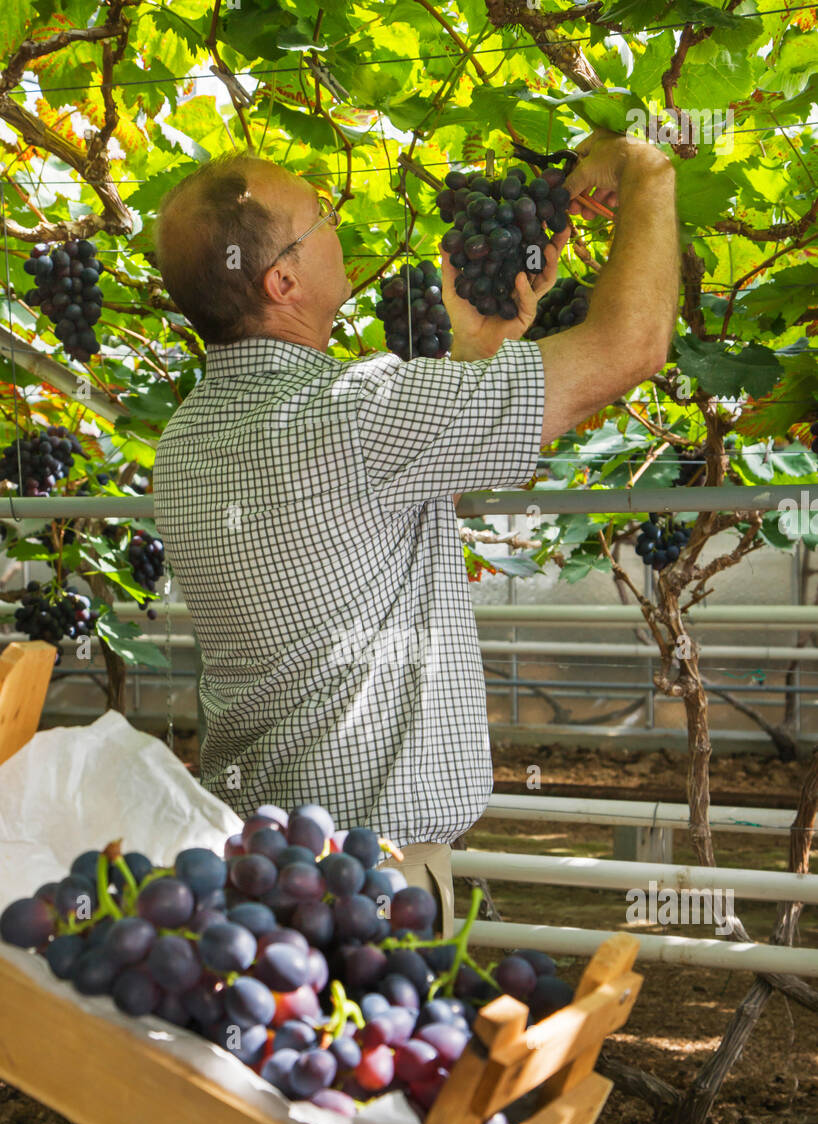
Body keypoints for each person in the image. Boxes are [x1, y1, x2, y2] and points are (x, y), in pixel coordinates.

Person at [151, 133, 679, 934]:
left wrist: (479, 349)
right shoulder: (359, 415)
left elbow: (380, 504)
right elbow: (629, 348)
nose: (336, 224)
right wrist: (648, 170)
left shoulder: (184, 441)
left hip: (255, 858)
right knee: (382, 1056)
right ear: (281, 279)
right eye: (318, 219)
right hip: (370, 880)